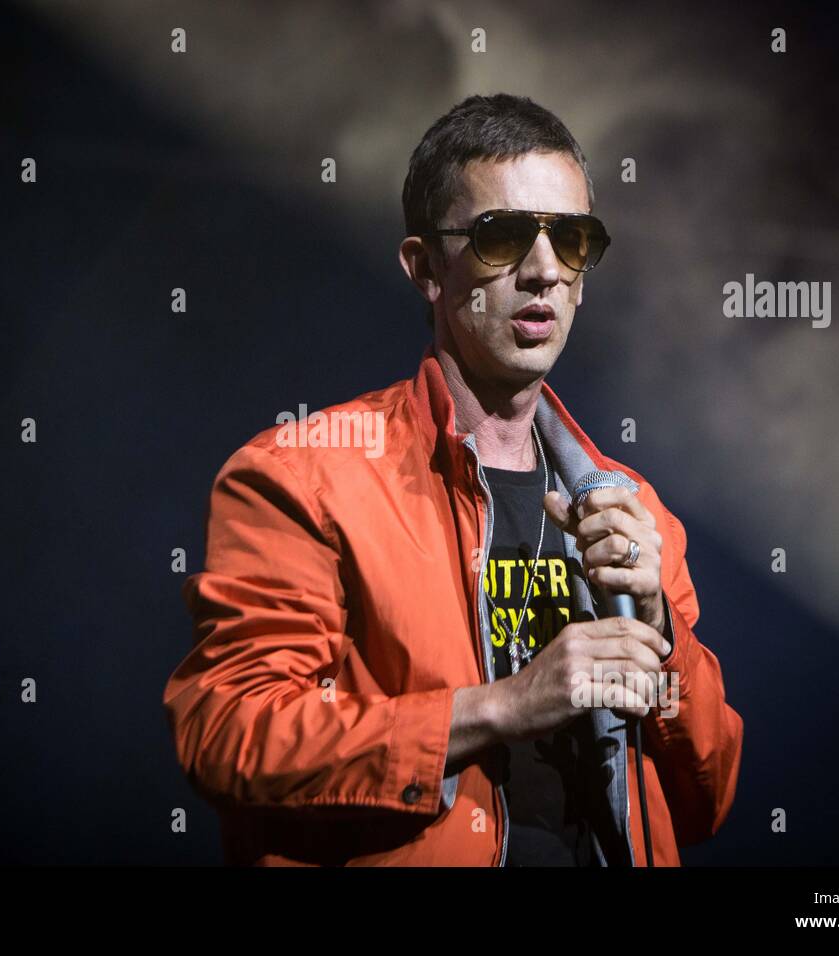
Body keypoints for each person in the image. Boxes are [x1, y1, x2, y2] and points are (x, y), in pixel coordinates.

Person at [163, 93, 743, 866]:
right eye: (502, 236)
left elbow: (707, 800)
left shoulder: (631, 508)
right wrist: (501, 708)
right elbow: (231, 734)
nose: (542, 270)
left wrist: (664, 639)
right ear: (426, 268)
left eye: (570, 239)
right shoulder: (303, 476)